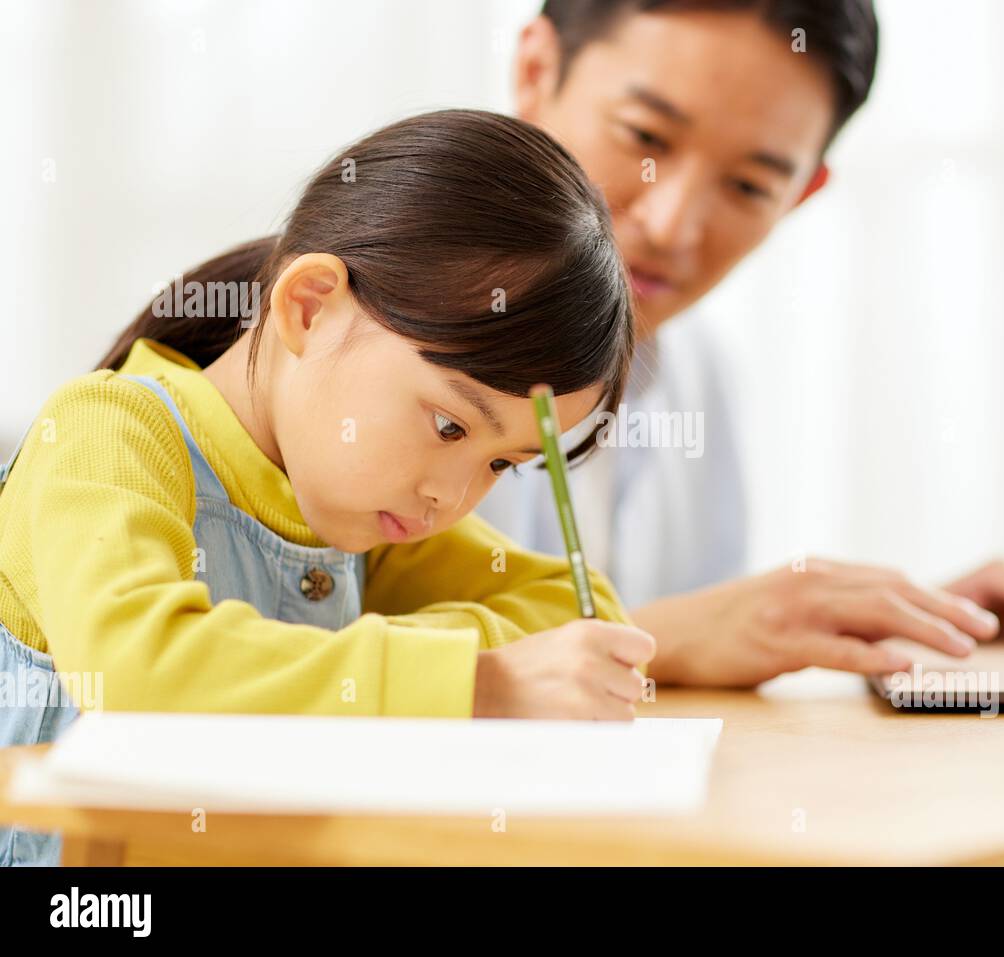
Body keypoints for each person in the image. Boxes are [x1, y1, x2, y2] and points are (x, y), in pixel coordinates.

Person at [0, 110, 656, 865]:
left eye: (500, 464)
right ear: (309, 305)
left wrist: (437, 671)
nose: (453, 496)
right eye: (449, 426)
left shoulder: (360, 514)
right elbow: (142, 669)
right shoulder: (106, 433)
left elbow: (580, 612)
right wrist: (475, 685)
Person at [477, 0, 1004, 688]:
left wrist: (913, 622)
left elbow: (681, 667)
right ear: (536, 72)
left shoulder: (699, 374)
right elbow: (368, 658)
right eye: (645, 135)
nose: (672, 223)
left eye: (748, 184)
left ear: (803, 192)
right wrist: (668, 636)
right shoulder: (379, 325)